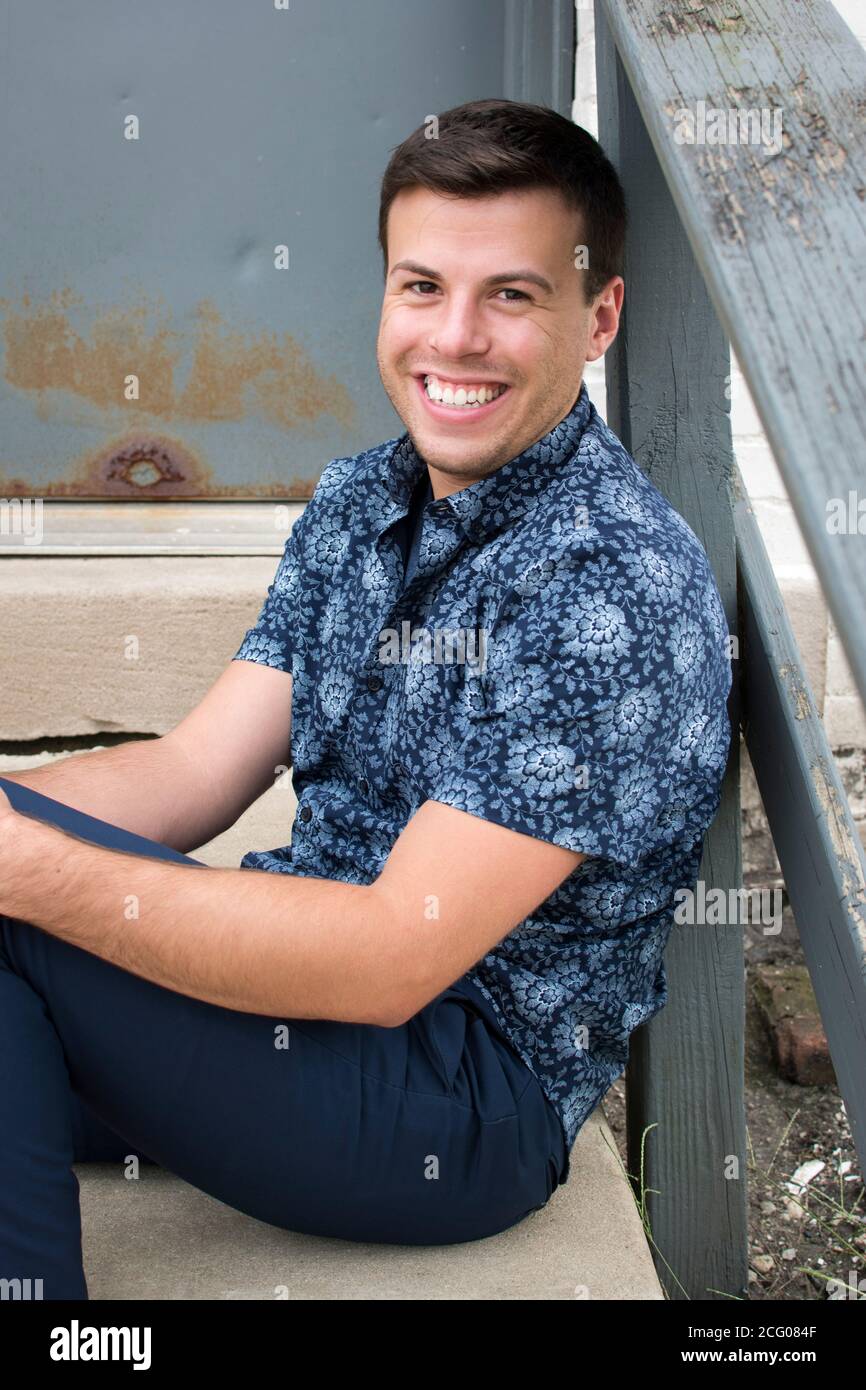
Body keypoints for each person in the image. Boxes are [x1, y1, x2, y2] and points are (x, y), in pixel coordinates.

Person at [0, 98, 731, 1301]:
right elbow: (190, 775)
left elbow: (392, 957)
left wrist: (27, 868)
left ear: (596, 316)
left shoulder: (610, 587)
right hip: (295, 990)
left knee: (24, 909)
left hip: (457, 1092)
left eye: (511, 294)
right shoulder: (361, 502)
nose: (455, 337)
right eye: (420, 286)